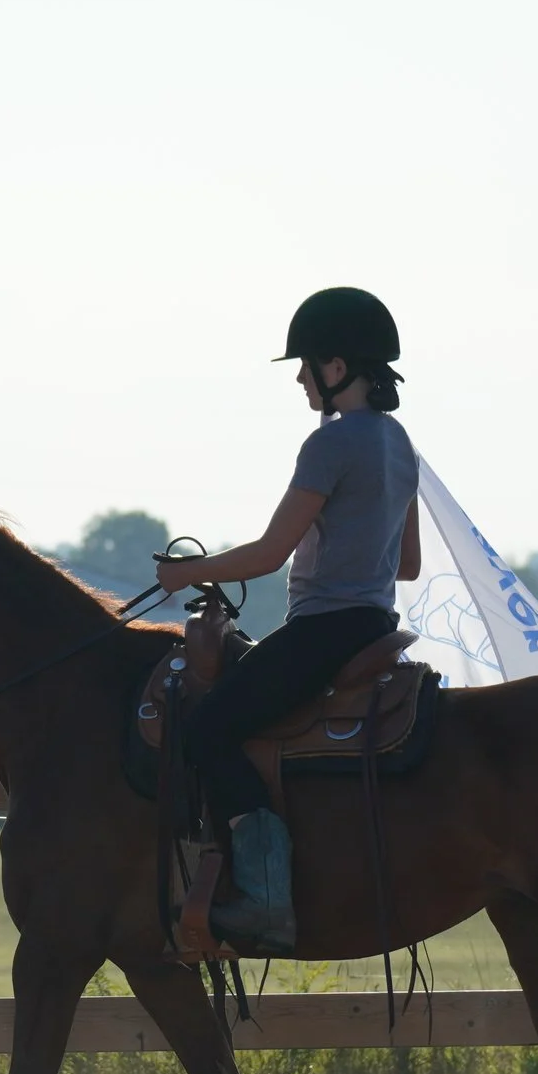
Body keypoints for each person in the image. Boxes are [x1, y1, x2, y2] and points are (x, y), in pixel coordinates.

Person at [153, 286, 421, 954]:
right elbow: (408, 564)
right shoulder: (399, 443)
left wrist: (187, 573)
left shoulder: (329, 444)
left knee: (209, 726)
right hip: (372, 625)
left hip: (323, 630)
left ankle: (268, 895)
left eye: (306, 365)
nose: (300, 377)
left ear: (336, 368)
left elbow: (272, 553)